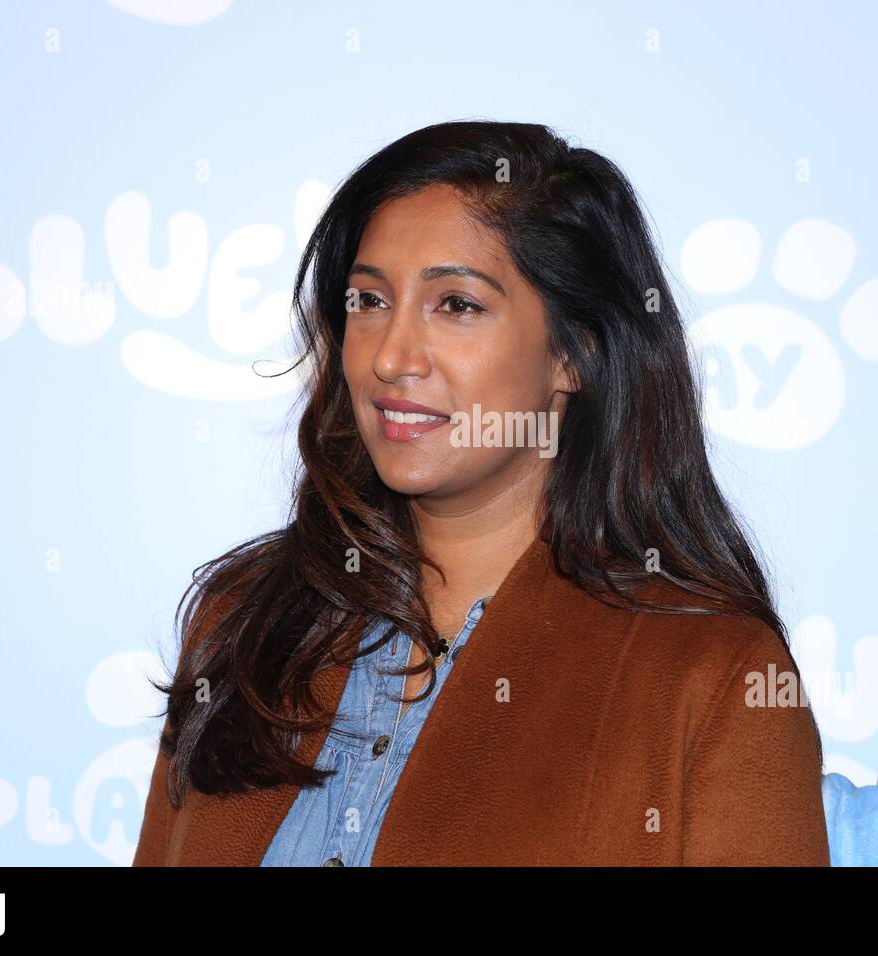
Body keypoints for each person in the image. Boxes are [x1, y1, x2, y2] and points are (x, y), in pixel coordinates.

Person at [133, 120, 830, 867]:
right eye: (368, 301)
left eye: (456, 305)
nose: (392, 357)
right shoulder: (247, 618)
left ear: (575, 353)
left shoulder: (714, 676)